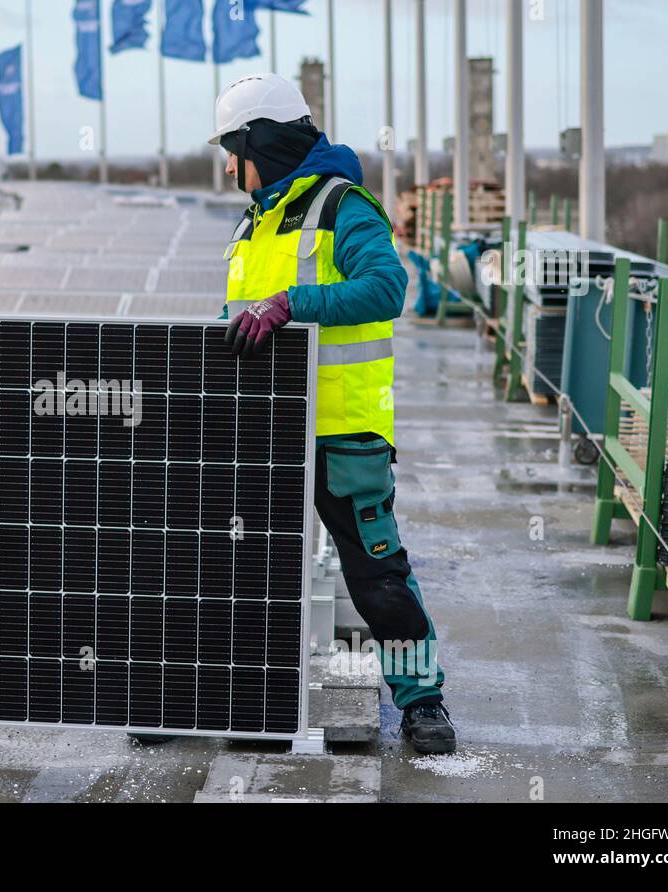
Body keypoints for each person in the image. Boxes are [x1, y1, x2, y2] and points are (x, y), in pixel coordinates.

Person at [215, 73, 455, 754]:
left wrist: (292, 304)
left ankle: (421, 702)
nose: (229, 168)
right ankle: (243, 699)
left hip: (342, 430)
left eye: (233, 150)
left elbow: (387, 288)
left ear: (260, 141)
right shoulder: (253, 220)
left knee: (377, 577)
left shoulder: (342, 207)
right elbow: (235, 324)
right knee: (246, 568)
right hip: (265, 433)